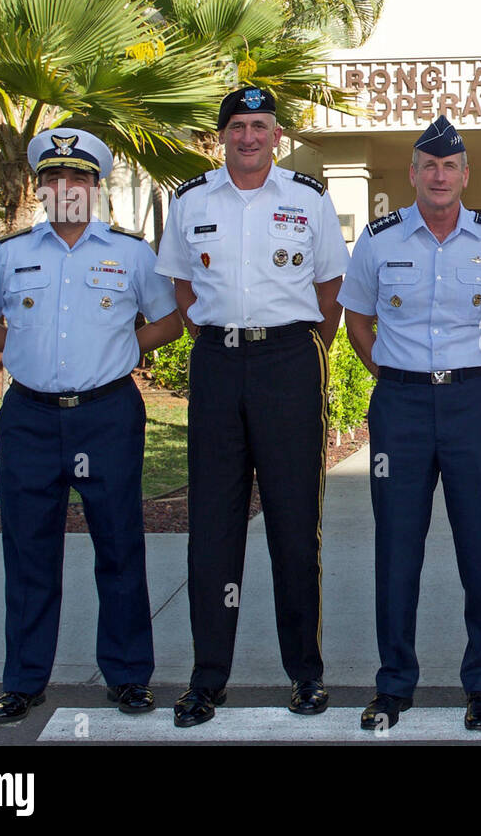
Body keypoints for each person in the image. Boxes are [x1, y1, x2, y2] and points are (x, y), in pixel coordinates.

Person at [0, 127, 182, 723]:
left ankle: (130, 677)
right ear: (40, 188)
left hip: (107, 416)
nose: (66, 188)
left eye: (78, 178)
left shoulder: (132, 253)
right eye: (54, 178)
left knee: (119, 546)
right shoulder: (11, 255)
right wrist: (18, 350)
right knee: (29, 552)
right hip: (30, 418)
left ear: (95, 186)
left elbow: (169, 321)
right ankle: (23, 681)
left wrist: (125, 347)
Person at [154, 87, 348, 727]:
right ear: (222, 135)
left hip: (289, 363)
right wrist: (225, 338)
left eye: (260, 126)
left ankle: (306, 675)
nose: (248, 137)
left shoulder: (308, 199)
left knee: (295, 526)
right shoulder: (189, 201)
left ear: (277, 136)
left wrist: (288, 350)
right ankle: (207, 678)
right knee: (213, 526)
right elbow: (182, 289)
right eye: (237, 126)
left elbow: (329, 293)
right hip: (216, 364)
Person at [338, 116, 481, 731]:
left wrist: (471, 375)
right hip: (401, 407)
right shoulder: (379, 239)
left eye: (451, 166)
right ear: (413, 175)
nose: (440, 176)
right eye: (428, 166)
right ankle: (393, 686)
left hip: (472, 403)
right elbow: (358, 319)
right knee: (396, 545)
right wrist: (393, 372)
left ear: (466, 175)